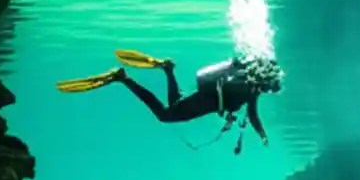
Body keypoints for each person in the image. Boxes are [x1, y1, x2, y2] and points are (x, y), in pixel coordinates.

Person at [57, 50, 284, 147]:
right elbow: (252, 114)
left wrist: (262, 134)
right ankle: (123, 78)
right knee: (165, 115)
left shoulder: (249, 84)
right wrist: (262, 134)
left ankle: (168, 70)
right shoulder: (251, 88)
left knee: (176, 105)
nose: (266, 91)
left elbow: (253, 114)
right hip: (206, 102)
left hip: (205, 100)